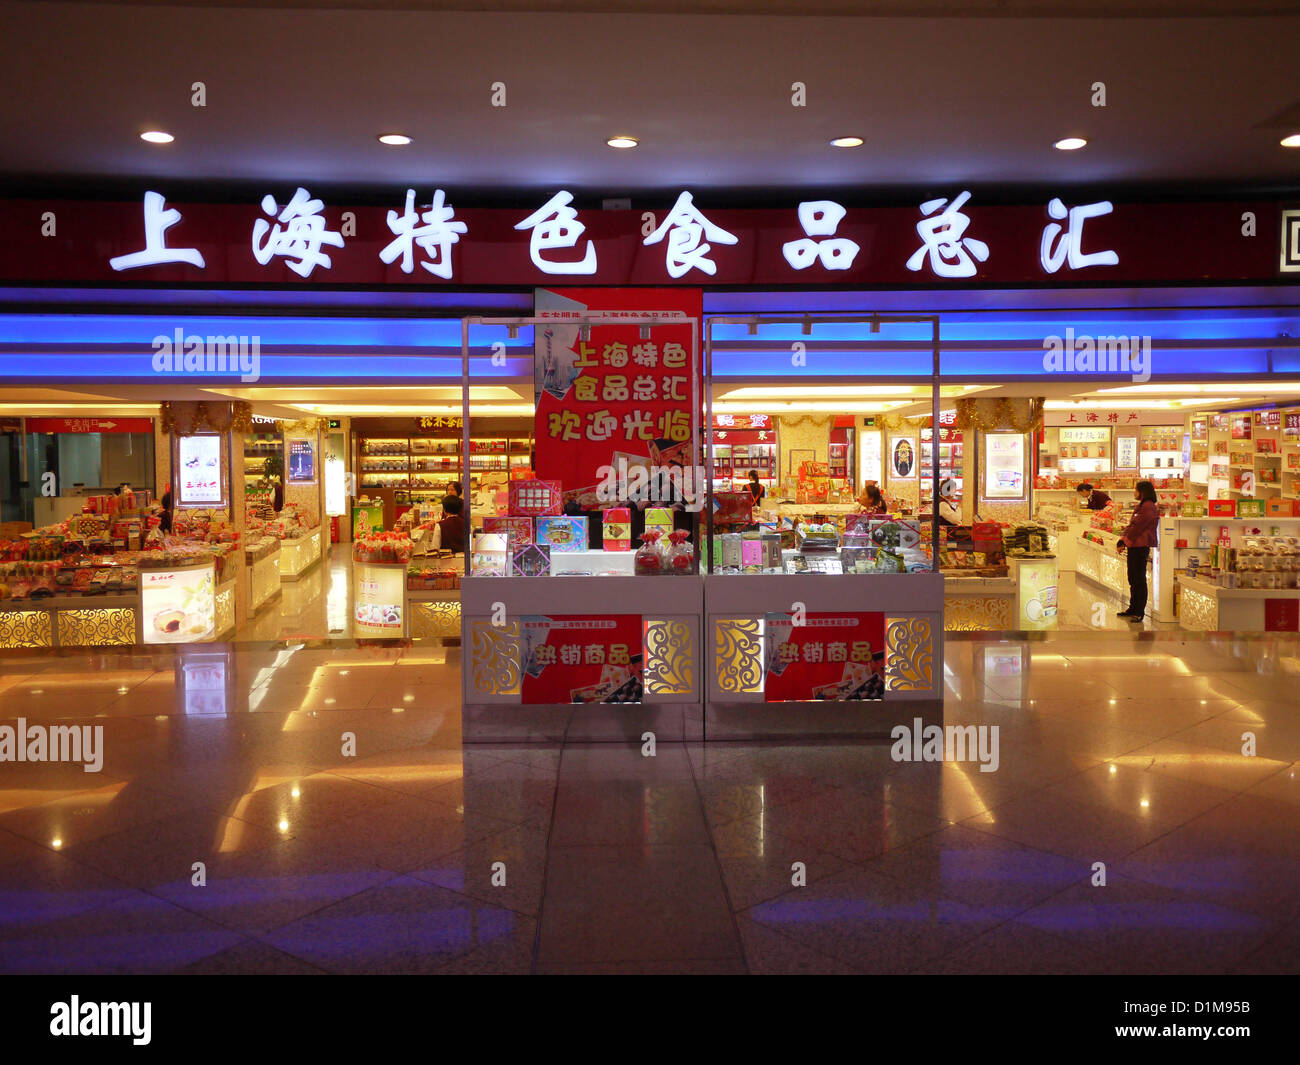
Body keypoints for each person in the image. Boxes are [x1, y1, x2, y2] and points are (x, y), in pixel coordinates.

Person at [1116, 480, 1159, 622]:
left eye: (1136, 489)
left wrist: (1124, 541)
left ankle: (1139, 611)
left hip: (1141, 546)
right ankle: (1133, 608)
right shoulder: (1141, 506)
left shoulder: (1148, 507)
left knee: (1139, 579)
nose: (1134, 492)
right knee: (1133, 578)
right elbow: (1132, 526)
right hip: (1134, 545)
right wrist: (1122, 540)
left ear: (1143, 491)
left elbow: (1137, 528)